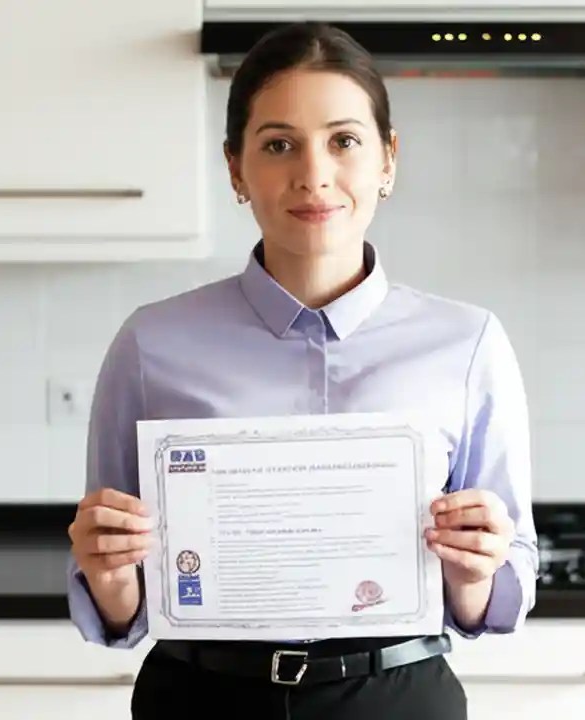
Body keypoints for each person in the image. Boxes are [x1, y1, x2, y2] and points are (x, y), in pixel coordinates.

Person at [66, 20, 538, 720]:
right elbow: (122, 609)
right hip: (200, 700)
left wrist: (475, 571)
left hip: (396, 698)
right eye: (279, 144)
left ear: (387, 160)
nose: (313, 173)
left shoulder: (468, 344)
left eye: (344, 140)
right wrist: (107, 570)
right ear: (235, 168)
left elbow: (499, 590)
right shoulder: (149, 344)